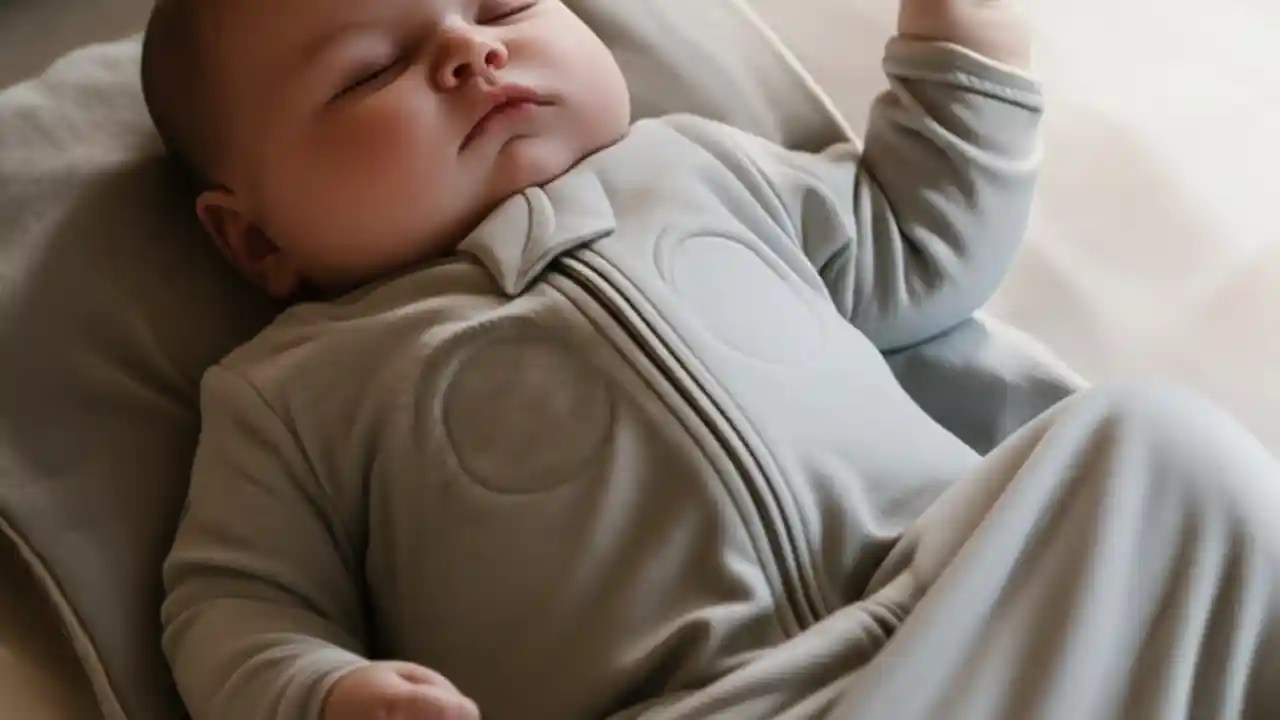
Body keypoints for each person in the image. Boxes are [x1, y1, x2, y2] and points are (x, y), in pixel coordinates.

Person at [143, 1, 1280, 719]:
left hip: (965, 606)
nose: (469, 46)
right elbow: (233, 608)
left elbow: (917, 241)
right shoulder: (292, 392)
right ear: (254, 238)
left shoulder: (694, 170)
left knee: (1148, 442)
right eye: (368, 71)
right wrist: (329, 694)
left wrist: (961, 34)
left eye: (505, 0)